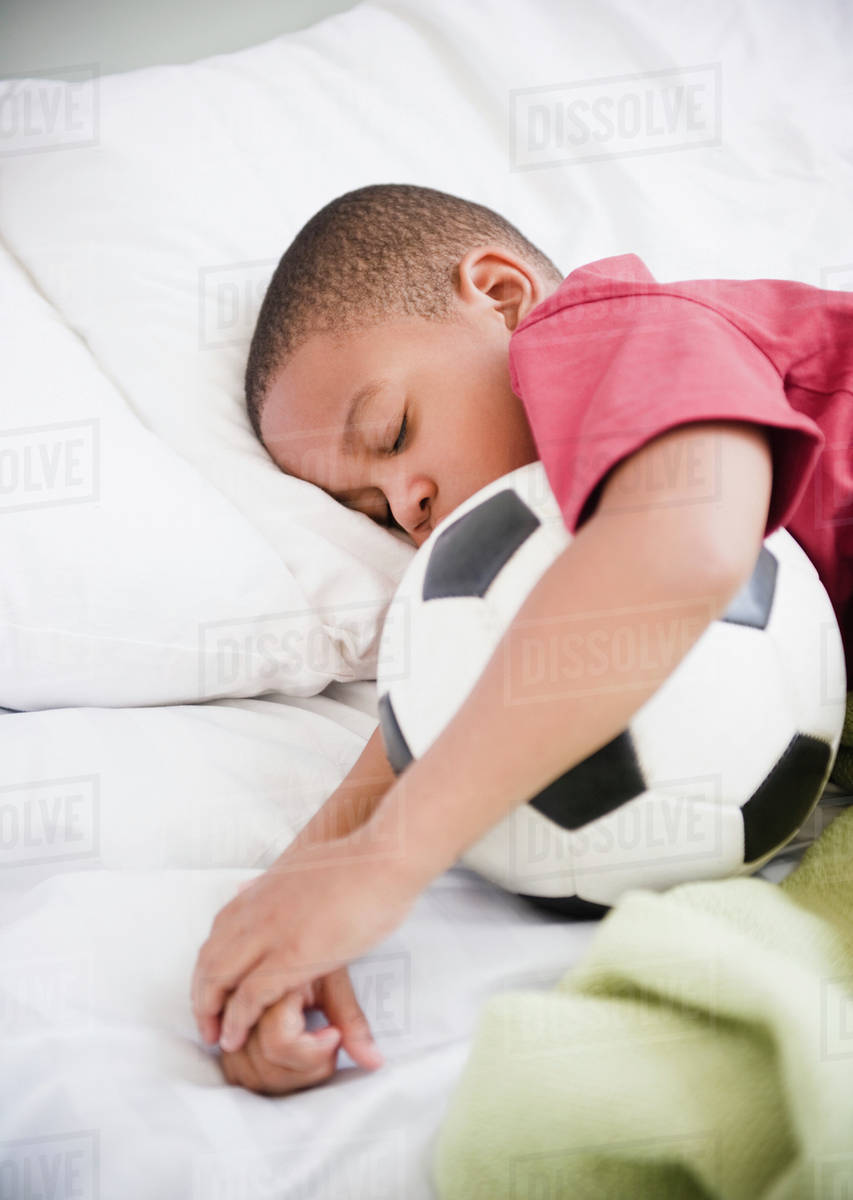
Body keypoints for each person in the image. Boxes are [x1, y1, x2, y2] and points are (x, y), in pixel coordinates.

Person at [191, 182, 853, 1096]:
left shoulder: (603, 329)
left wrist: (388, 862)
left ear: (502, 298)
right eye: (368, 510)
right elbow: (462, 703)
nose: (407, 506)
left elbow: (683, 547)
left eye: (392, 432)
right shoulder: (526, 552)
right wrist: (300, 897)